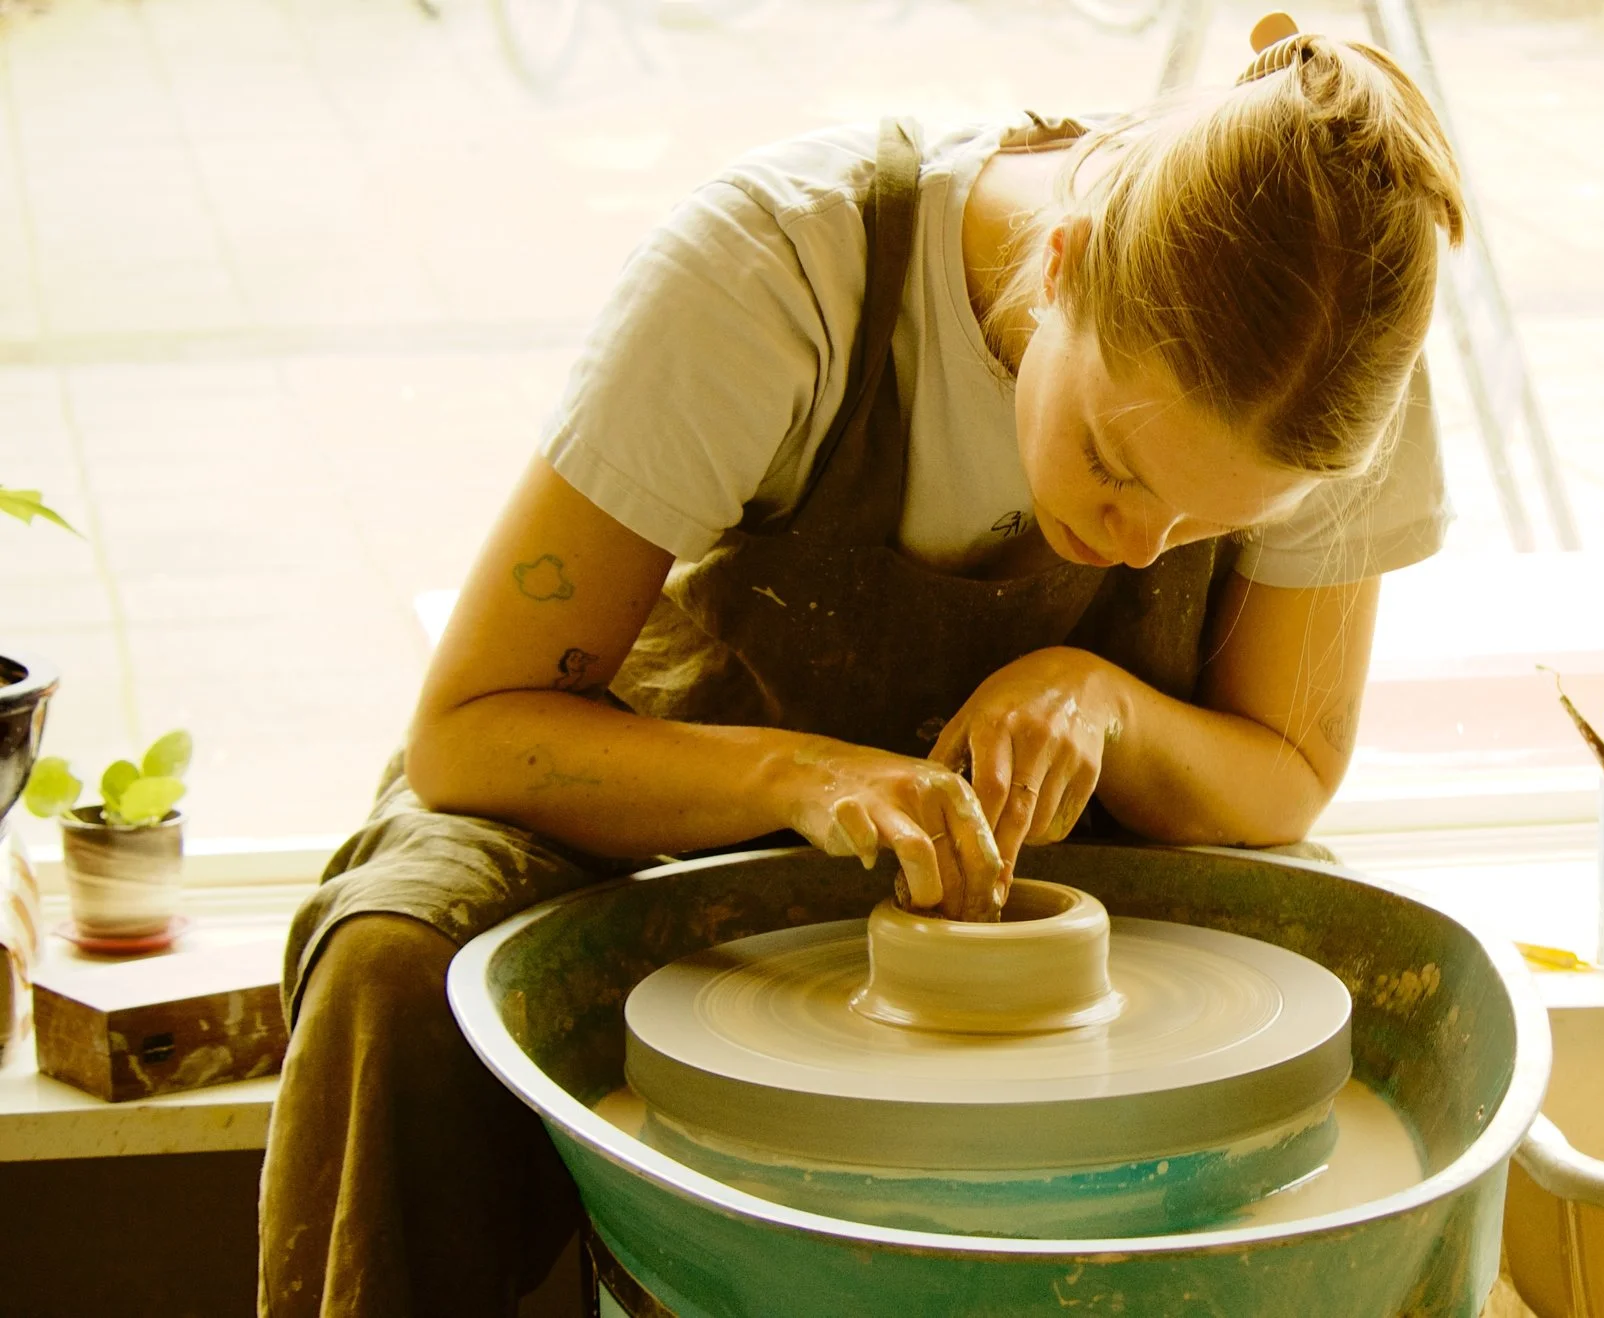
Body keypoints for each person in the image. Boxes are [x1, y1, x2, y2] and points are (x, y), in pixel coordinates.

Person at [256, 16, 1465, 1316]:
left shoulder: (1326, 385)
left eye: (1216, 525)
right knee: (397, 966)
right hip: (673, 834)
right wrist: (809, 777)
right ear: (1059, 264)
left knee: (1368, 990)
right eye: (1118, 468)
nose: (1141, 544)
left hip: (1059, 865)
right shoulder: (774, 277)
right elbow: (472, 729)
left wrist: (1105, 700)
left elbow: (1285, 771)